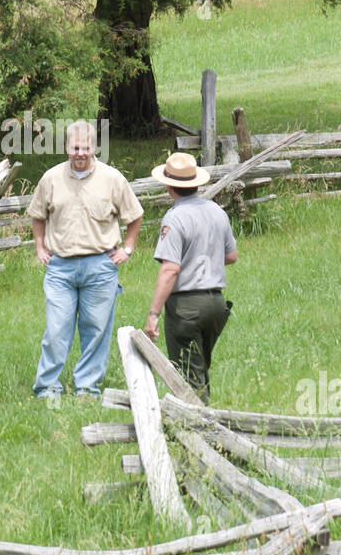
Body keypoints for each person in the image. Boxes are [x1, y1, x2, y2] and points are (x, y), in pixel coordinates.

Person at [27, 120, 143, 398]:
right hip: (60, 268)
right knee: (56, 330)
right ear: (66, 147)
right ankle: (47, 387)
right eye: (75, 147)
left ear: (95, 147)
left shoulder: (113, 179)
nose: (80, 152)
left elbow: (135, 216)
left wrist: (127, 248)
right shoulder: (51, 178)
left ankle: (87, 388)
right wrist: (40, 247)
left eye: (86, 147)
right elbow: (37, 215)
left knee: (96, 331)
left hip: (100, 266)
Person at [143, 151, 237, 403]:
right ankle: (205, 416)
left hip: (186, 307)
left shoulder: (174, 218)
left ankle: (200, 426)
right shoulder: (217, 211)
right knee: (200, 367)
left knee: (188, 376)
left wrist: (153, 313)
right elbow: (231, 256)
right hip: (216, 304)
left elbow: (170, 269)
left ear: (169, 186)